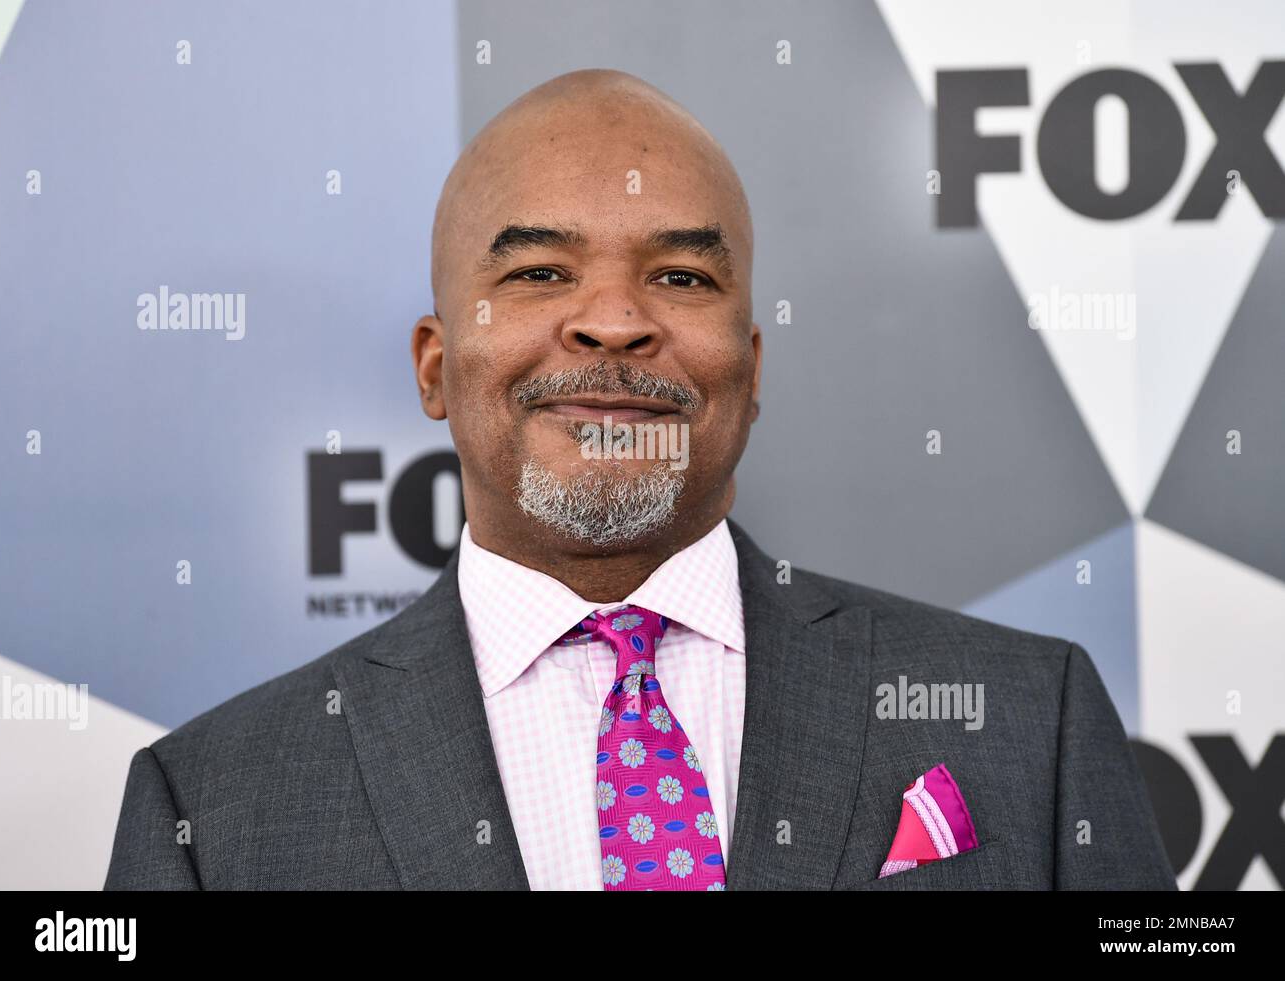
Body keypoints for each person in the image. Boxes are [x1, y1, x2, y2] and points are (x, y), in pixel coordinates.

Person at [105, 69, 1175, 891]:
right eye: (537, 274)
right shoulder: (214, 806)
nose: (614, 321)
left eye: (679, 275)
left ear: (751, 370)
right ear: (436, 367)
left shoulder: (1032, 721)